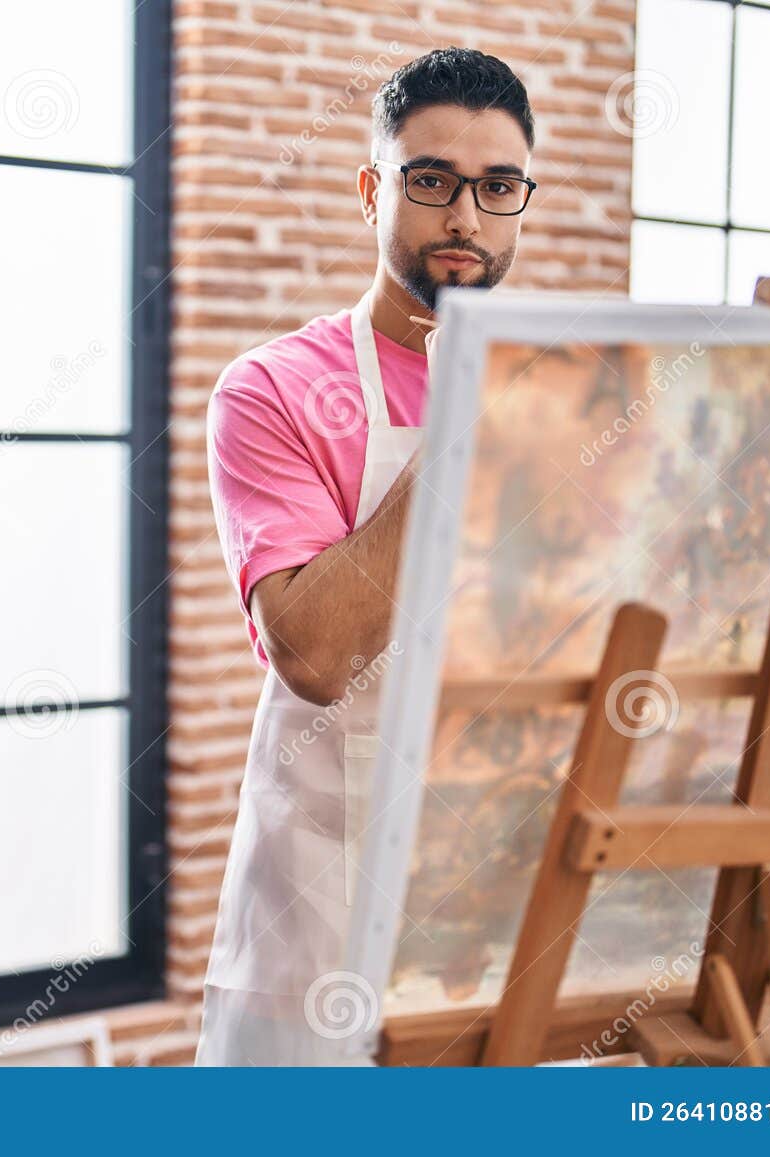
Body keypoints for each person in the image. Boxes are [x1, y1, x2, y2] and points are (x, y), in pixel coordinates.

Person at [195, 46, 537, 1066]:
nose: (464, 218)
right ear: (370, 189)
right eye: (429, 181)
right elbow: (316, 653)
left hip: (509, 894)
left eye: (497, 187)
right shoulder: (270, 391)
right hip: (325, 904)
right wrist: (468, 415)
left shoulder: (573, 387)